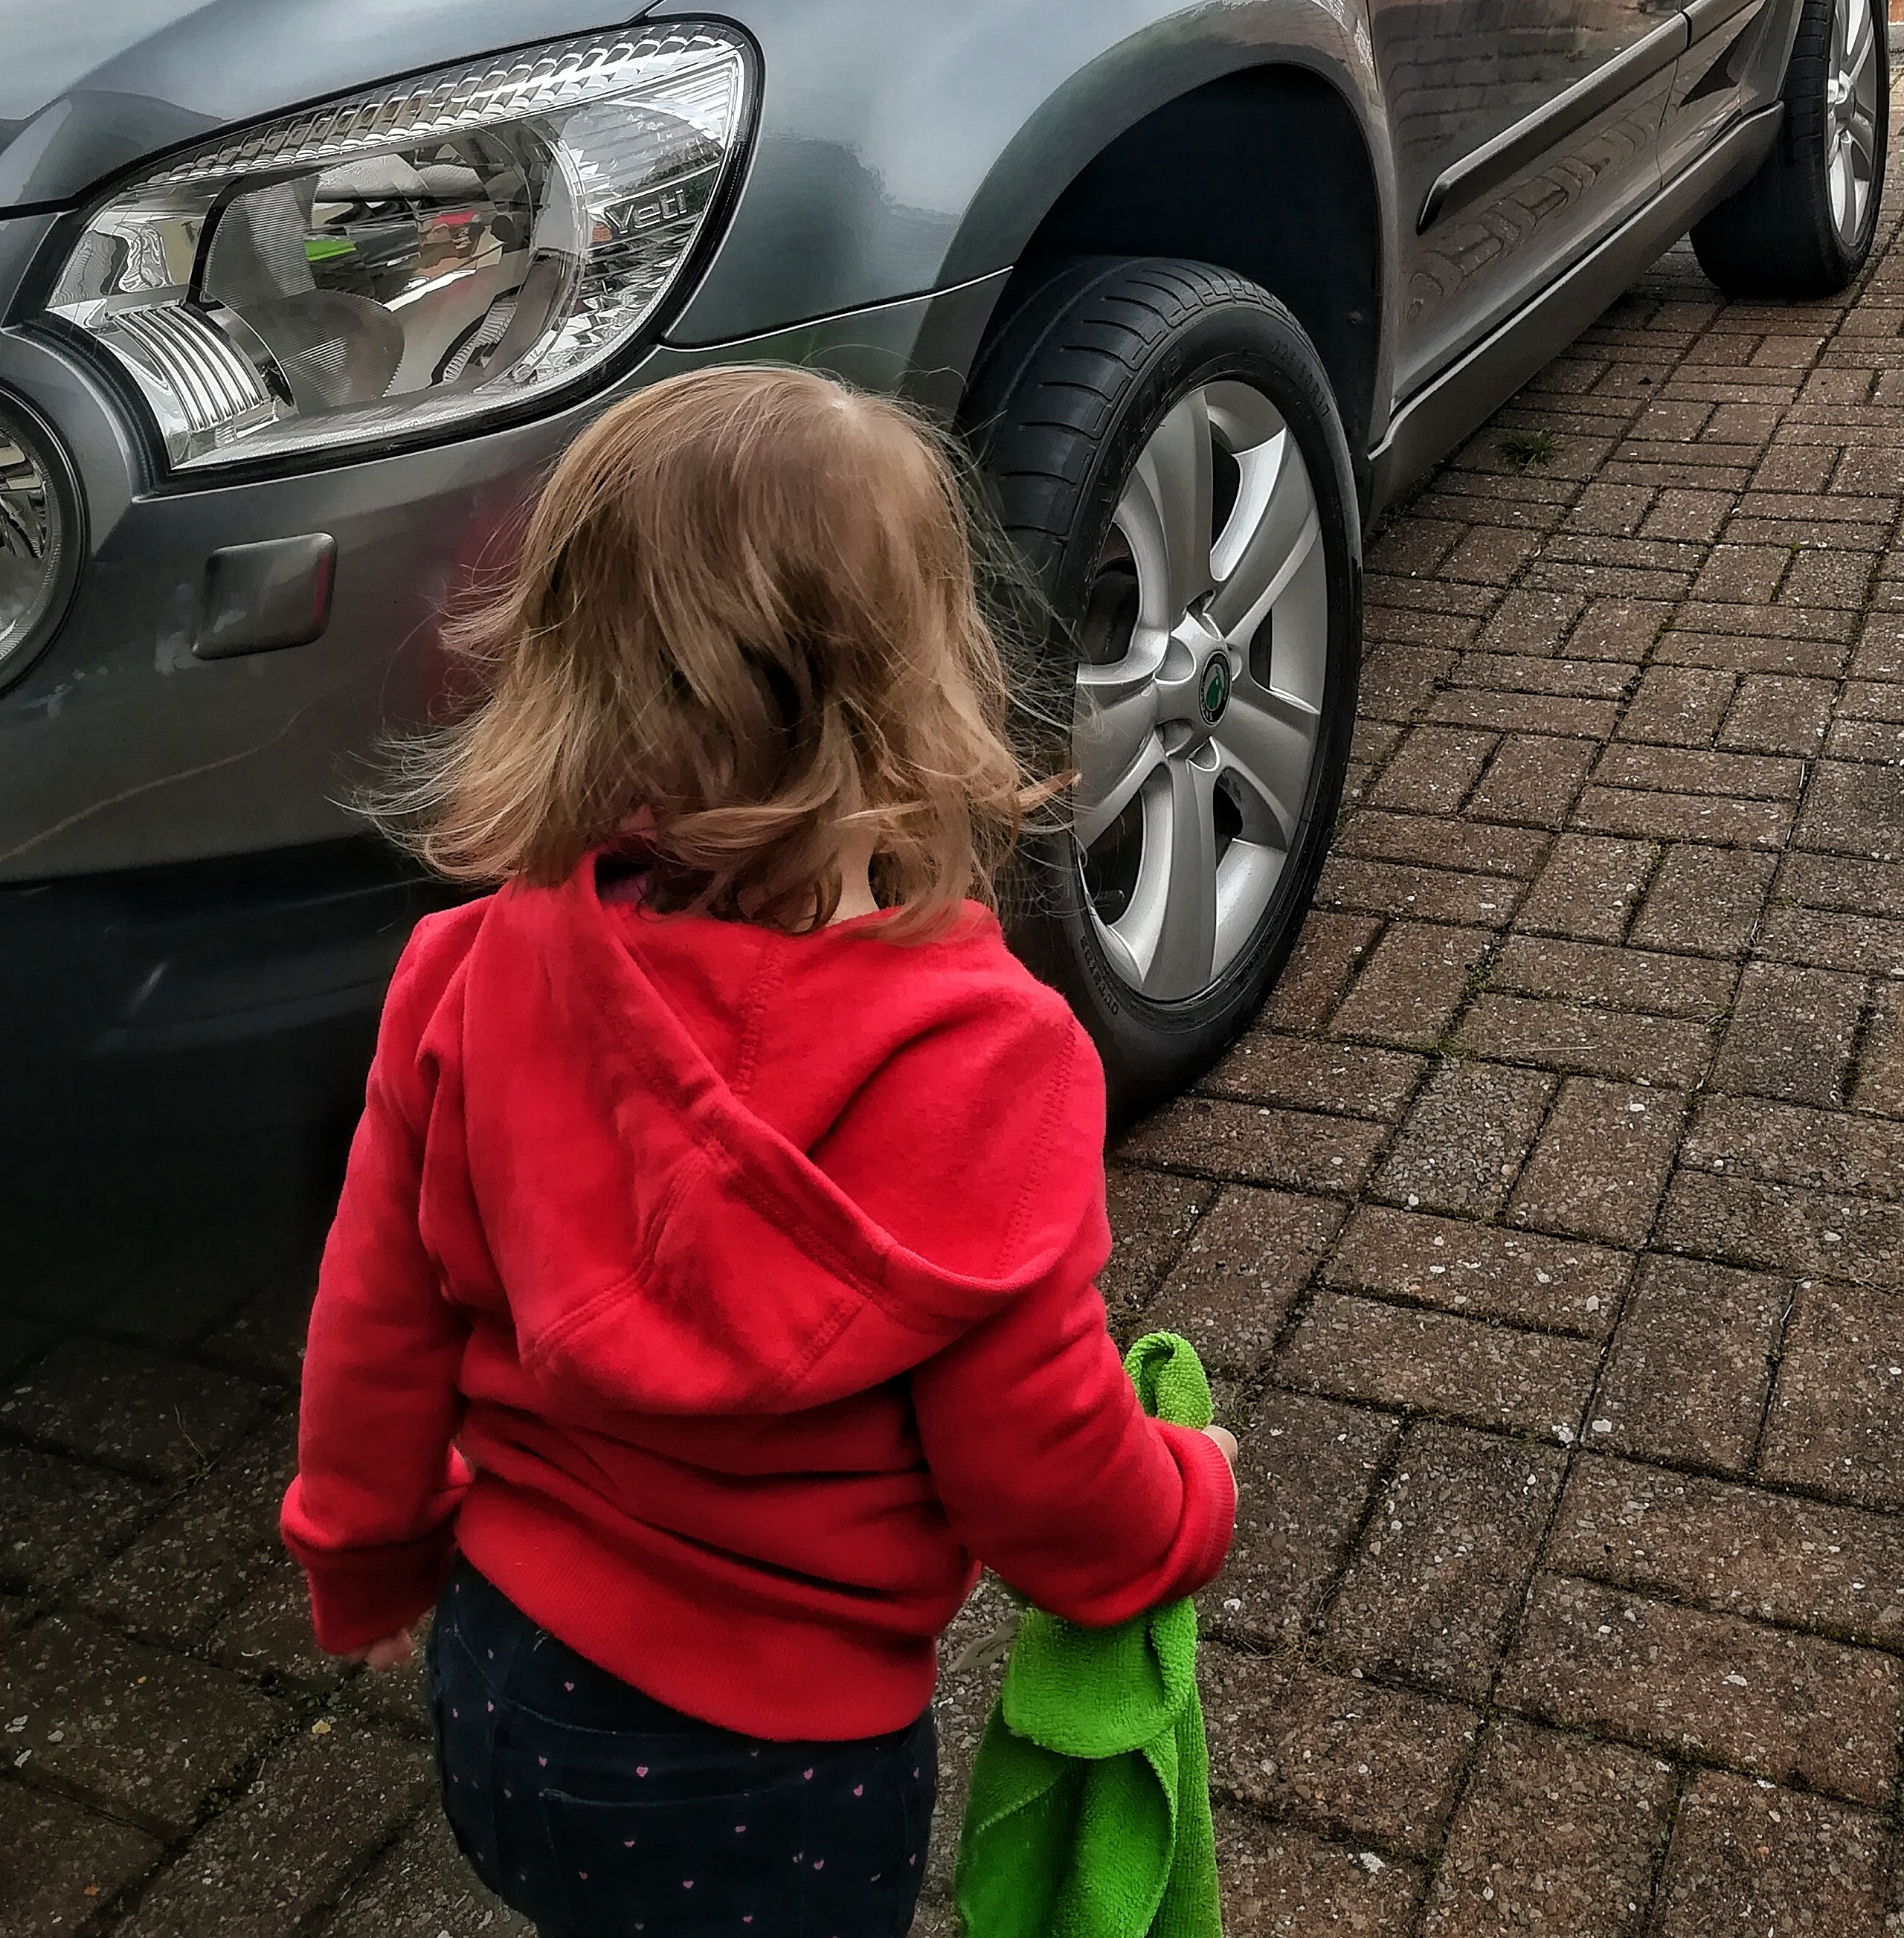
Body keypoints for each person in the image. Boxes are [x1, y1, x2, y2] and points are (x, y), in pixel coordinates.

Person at [280, 364, 1239, 1937]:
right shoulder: (985, 1061)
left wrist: (362, 1561)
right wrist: (1184, 1507)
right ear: (921, 680)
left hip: (504, 1685)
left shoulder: (468, 971)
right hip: (775, 1778)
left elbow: (376, 1326)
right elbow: (1036, 1462)